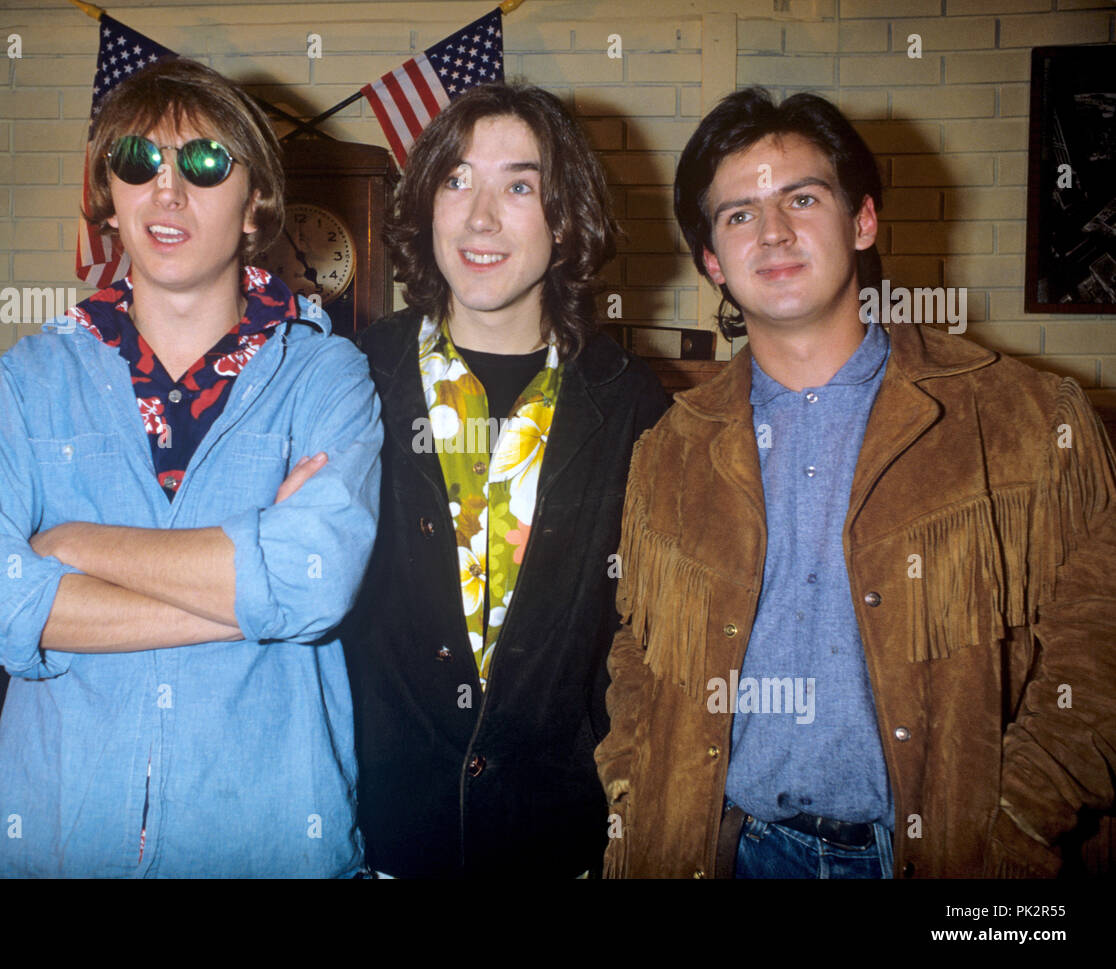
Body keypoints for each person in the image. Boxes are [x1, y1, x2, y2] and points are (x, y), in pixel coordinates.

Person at [596, 87, 1116, 878]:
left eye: (801, 198)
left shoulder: (1025, 417)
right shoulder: (669, 449)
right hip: (731, 850)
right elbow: (638, 652)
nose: (772, 231)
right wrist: (633, 797)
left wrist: (1012, 825)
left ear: (862, 220)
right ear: (712, 262)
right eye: (738, 214)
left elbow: (1097, 648)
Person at [0, 58, 381, 877]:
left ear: (255, 206)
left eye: (205, 163)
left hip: (265, 846)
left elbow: (314, 580)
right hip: (60, 846)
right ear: (110, 193)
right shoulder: (35, 377)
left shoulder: (327, 375)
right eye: (138, 161)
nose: (166, 190)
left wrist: (69, 544)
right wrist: (251, 596)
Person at [342, 82, 671, 877]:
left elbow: (647, 640)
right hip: (378, 836)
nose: (479, 218)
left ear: (565, 219)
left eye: (518, 186)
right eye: (456, 181)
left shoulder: (635, 405)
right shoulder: (349, 375)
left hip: (554, 840)